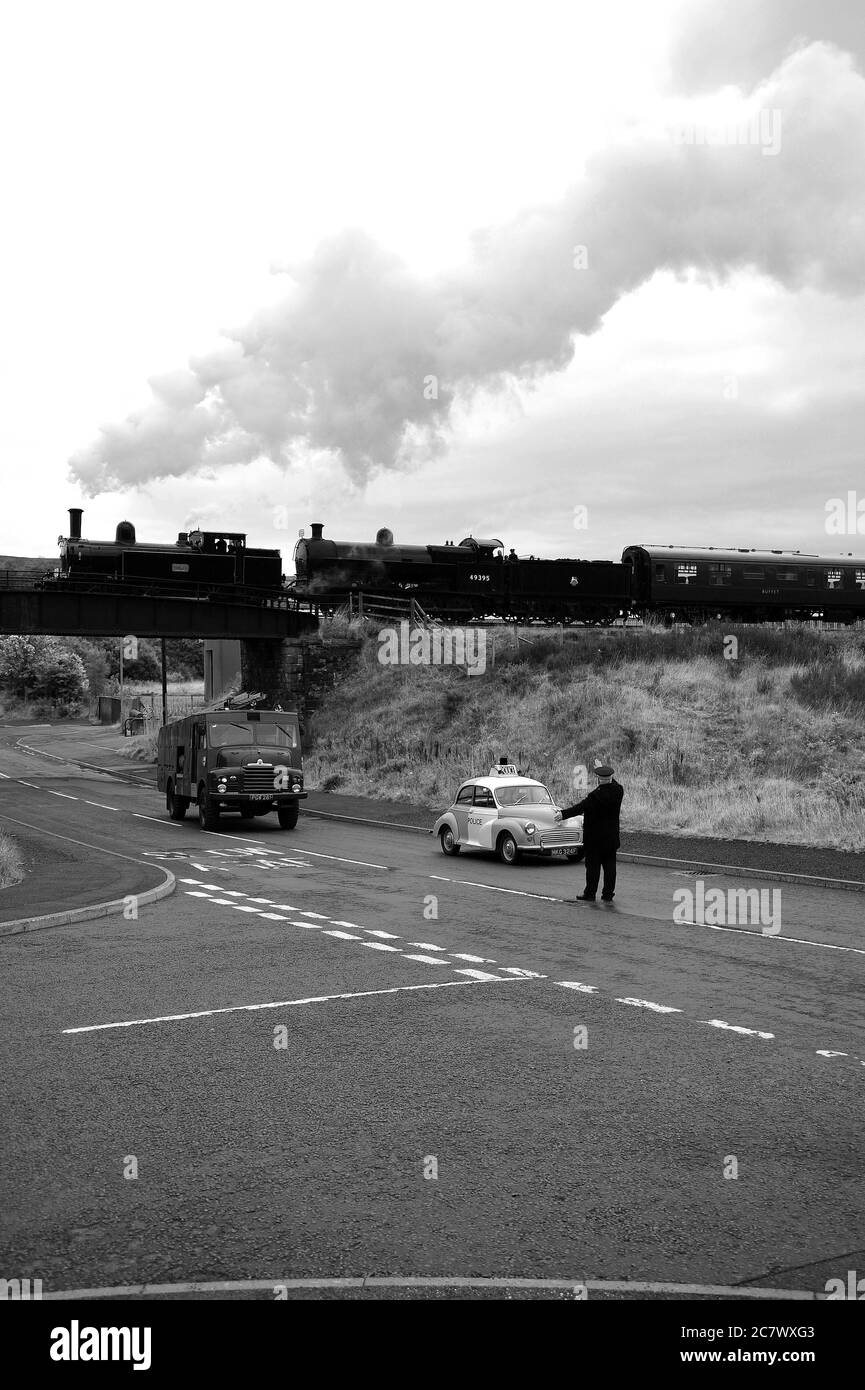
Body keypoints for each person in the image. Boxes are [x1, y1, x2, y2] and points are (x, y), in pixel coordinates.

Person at [556, 761, 624, 903]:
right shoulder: (618, 791)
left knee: (593, 868)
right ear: (611, 777)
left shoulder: (595, 796)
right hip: (611, 838)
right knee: (610, 867)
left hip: (595, 839)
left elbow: (580, 808)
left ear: (599, 779)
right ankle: (608, 894)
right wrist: (602, 769)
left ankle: (590, 893)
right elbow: (613, 783)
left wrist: (562, 814)